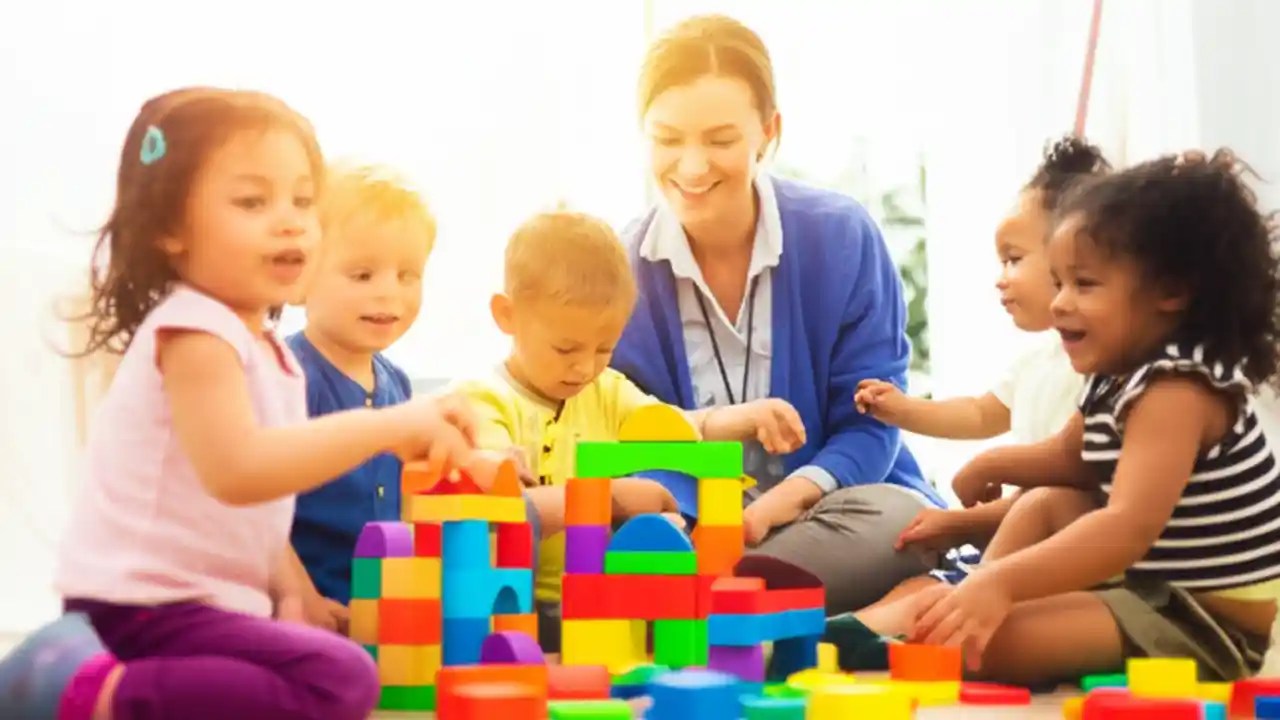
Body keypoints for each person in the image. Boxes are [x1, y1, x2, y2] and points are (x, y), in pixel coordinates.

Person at [0, 87, 477, 720]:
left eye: (304, 201)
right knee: (343, 681)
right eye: (253, 201)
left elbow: (260, 522)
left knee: (335, 664)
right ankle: (87, 690)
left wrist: (290, 597)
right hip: (142, 607)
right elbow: (238, 470)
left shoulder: (260, 349)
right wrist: (385, 426)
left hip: (204, 606)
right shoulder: (196, 332)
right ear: (172, 227)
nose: (289, 220)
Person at [609, 13, 943, 614]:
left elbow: (872, 423)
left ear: (769, 132)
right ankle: (848, 613)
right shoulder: (621, 269)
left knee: (902, 518)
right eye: (667, 139)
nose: (690, 167)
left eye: (719, 140)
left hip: (831, 510)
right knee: (617, 532)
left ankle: (715, 604)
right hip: (689, 525)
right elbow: (623, 431)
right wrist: (701, 521)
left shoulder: (840, 236)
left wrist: (775, 507)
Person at [910, 149, 1280, 685]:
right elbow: (1072, 457)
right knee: (1047, 503)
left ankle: (974, 610)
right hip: (1147, 585)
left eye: (1084, 285)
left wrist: (1007, 585)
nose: (1060, 303)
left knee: (992, 648)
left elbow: (1125, 526)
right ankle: (967, 604)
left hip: (1201, 620)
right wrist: (995, 461)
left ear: (1170, 292)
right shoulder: (1118, 367)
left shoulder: (1176, 388)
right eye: (1058, 282)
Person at [450, 209, 807, 650]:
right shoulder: (480, 402)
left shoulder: (606, 389)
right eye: (566, 348)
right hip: (507, 607)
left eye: (604, 348)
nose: (584, 366)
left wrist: (746, 416)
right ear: (507, 315)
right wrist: (613, 498)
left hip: (597, 603)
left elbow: (672, 426)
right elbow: (502, 504)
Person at [282, 164, 437, 627]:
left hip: (386, 611)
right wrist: (302, 599)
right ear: (301, 280)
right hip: (307, 605)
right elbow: (258, 515)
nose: (388, 292)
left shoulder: (398, 385)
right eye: (363, 274)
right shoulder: (289, 377)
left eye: (407, 275)